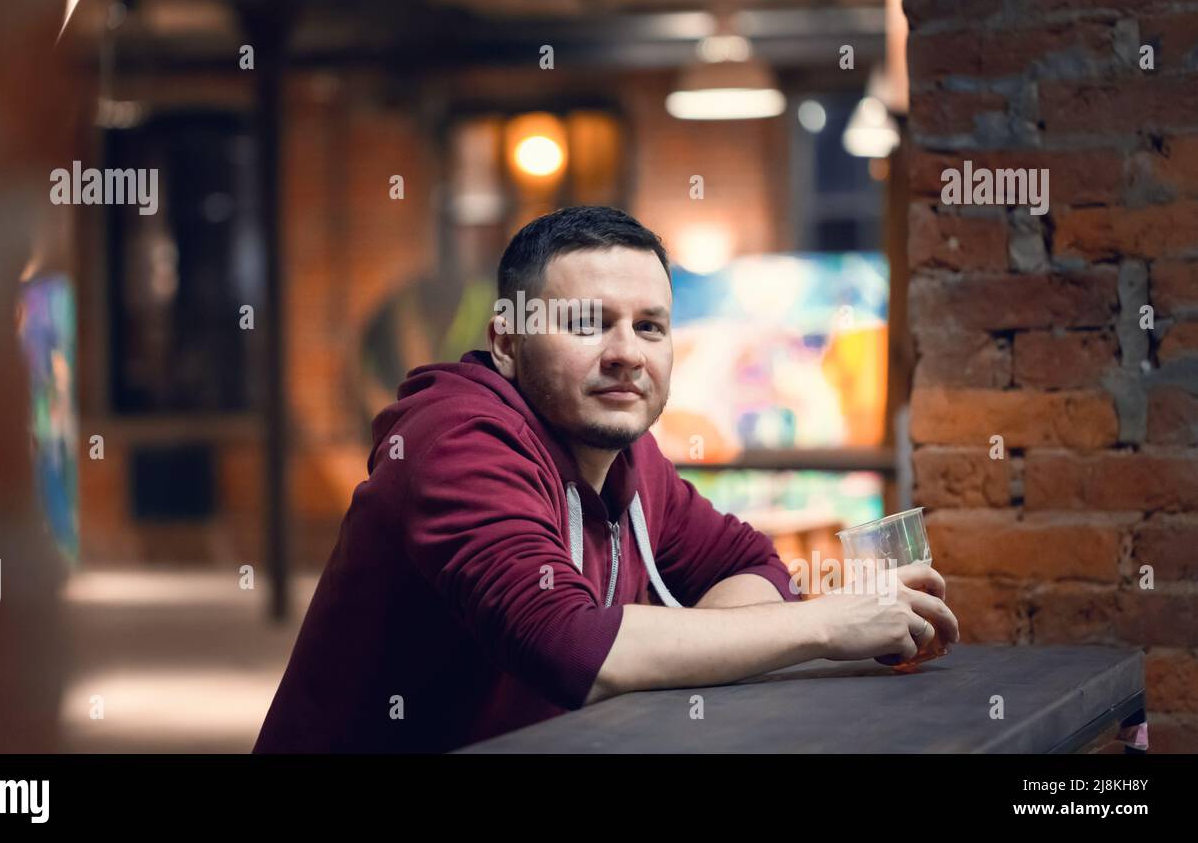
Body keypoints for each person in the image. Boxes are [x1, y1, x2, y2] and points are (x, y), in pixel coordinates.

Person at [254, 206, 959, 753]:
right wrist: (831, 622)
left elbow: (749, 564)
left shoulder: (627, 455)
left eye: (650, 327)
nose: (626, 354)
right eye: (589, 323)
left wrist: (679, 659)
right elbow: (568, 647)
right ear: (506, 341)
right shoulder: (453, 440)